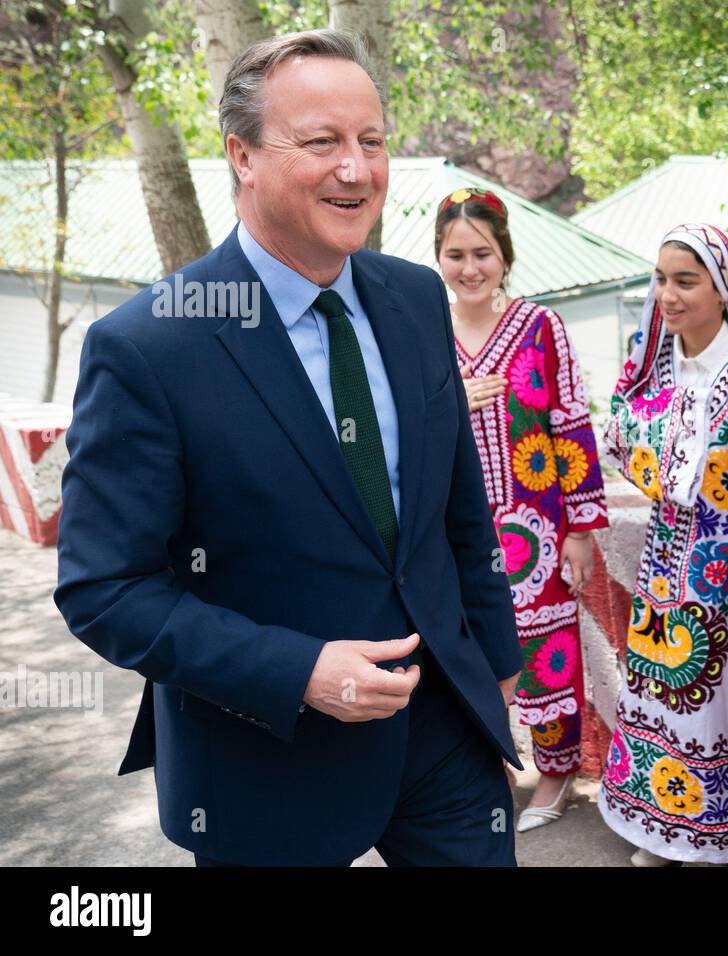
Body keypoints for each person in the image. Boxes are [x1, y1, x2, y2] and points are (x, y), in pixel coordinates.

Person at [53, 29, 522, 867]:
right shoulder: (148, 345)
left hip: (447, 736)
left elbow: (458, 509)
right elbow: (104, 589)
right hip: (261, 759)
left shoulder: (417, 296)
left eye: (370, 141)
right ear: (242, 155)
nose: (356, 169)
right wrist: (298, 670)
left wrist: (494, 663)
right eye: (322, 142)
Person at [600, 223, 728, 866]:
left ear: (725, 290)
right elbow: (622, 432)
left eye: (686, 281)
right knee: (664, 686)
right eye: (661, 279)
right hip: (668, 556)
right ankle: (665, 826)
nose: (669, 295)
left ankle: (727, 833)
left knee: (724, 694)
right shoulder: (655, 356)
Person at [436, 186, 609, 831]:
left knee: (545, 653)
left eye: (482, 252)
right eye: (455, 255)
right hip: (455, 530)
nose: (470, 268)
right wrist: (452, 402)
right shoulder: (425, 331)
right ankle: (489, 766)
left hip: (538, 526)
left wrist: (583, 529)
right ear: (440, 259)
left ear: (503, 255)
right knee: (465, 649)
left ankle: (558, 771)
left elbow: (571, 424)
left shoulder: (541, 327)